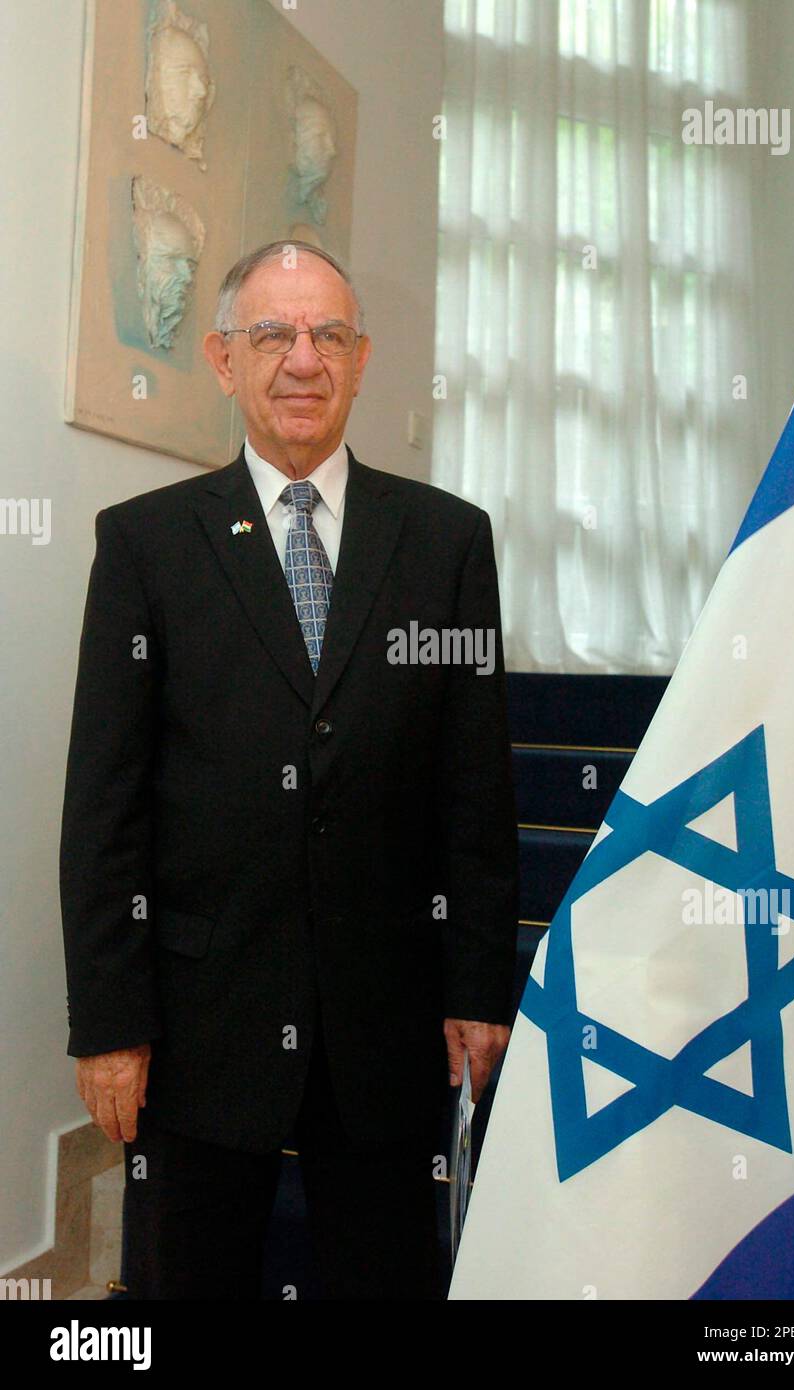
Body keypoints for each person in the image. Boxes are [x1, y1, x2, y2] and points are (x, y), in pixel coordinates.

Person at [59, 240, 520, 1300]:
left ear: (361, 361)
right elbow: (105, 804)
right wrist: (110, 1022)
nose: (302, 359)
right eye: (273, 333)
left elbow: (474, 786)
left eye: (328, 336)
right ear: (223, 360)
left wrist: (476, 981)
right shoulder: (145, 546)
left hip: (388, 1021)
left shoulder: (447, 542)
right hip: (198, 1025)